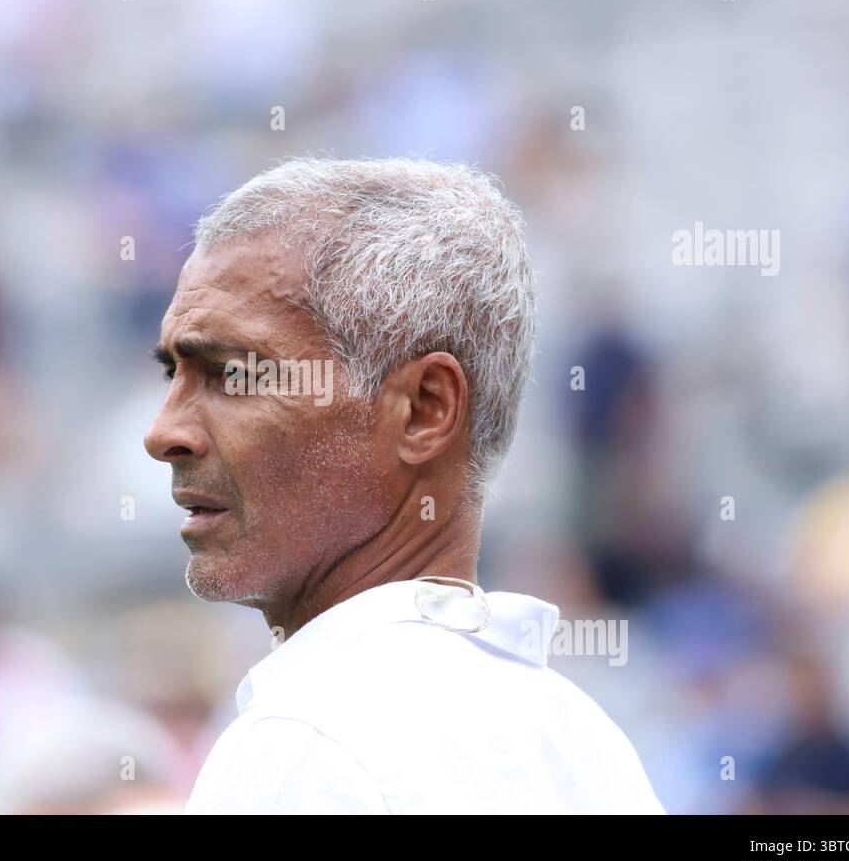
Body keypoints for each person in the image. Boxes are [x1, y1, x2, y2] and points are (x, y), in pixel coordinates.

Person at [144, 157, 664, 813]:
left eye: (232, 375)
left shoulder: (305, 743)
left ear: (424, 409)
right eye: (174, 375)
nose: (164, 433)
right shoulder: (584, 744)